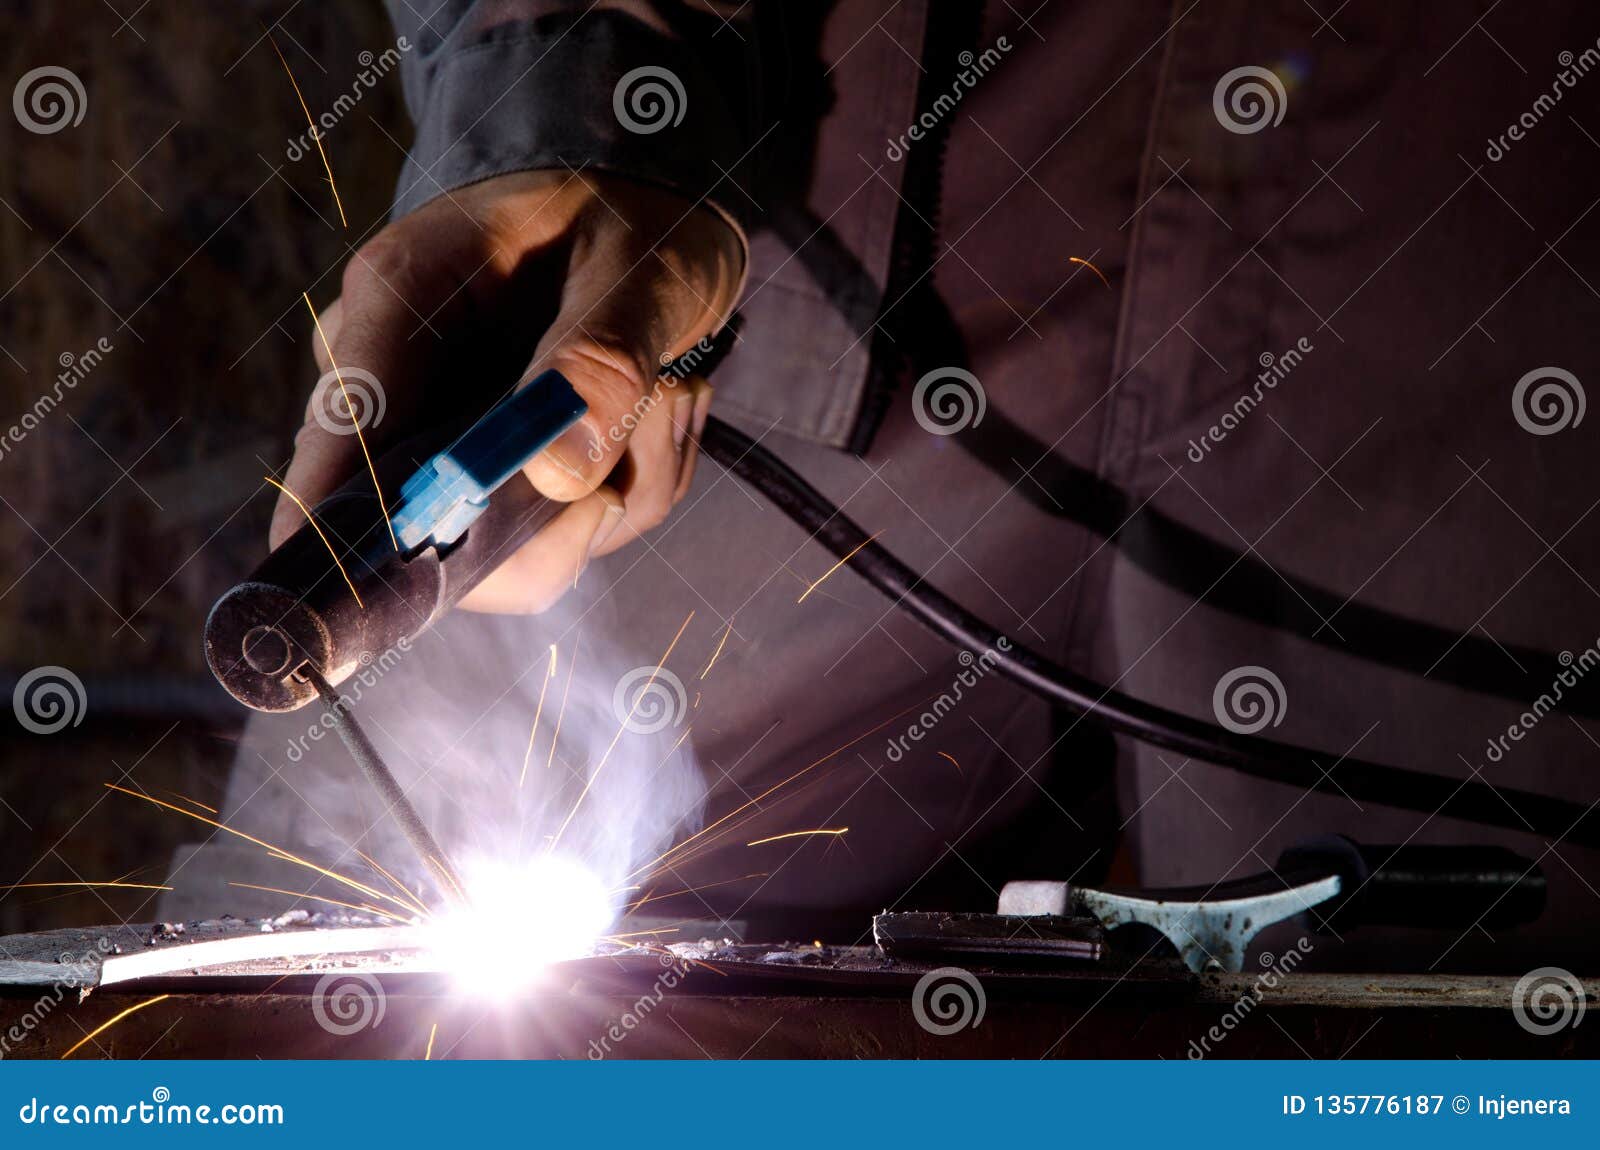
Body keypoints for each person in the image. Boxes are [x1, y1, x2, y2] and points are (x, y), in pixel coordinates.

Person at [179, 2, 1600, 966]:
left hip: (1460, 278)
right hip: (795, 221)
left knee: (1414, 1023)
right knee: (322, 1000)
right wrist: (584, 80)